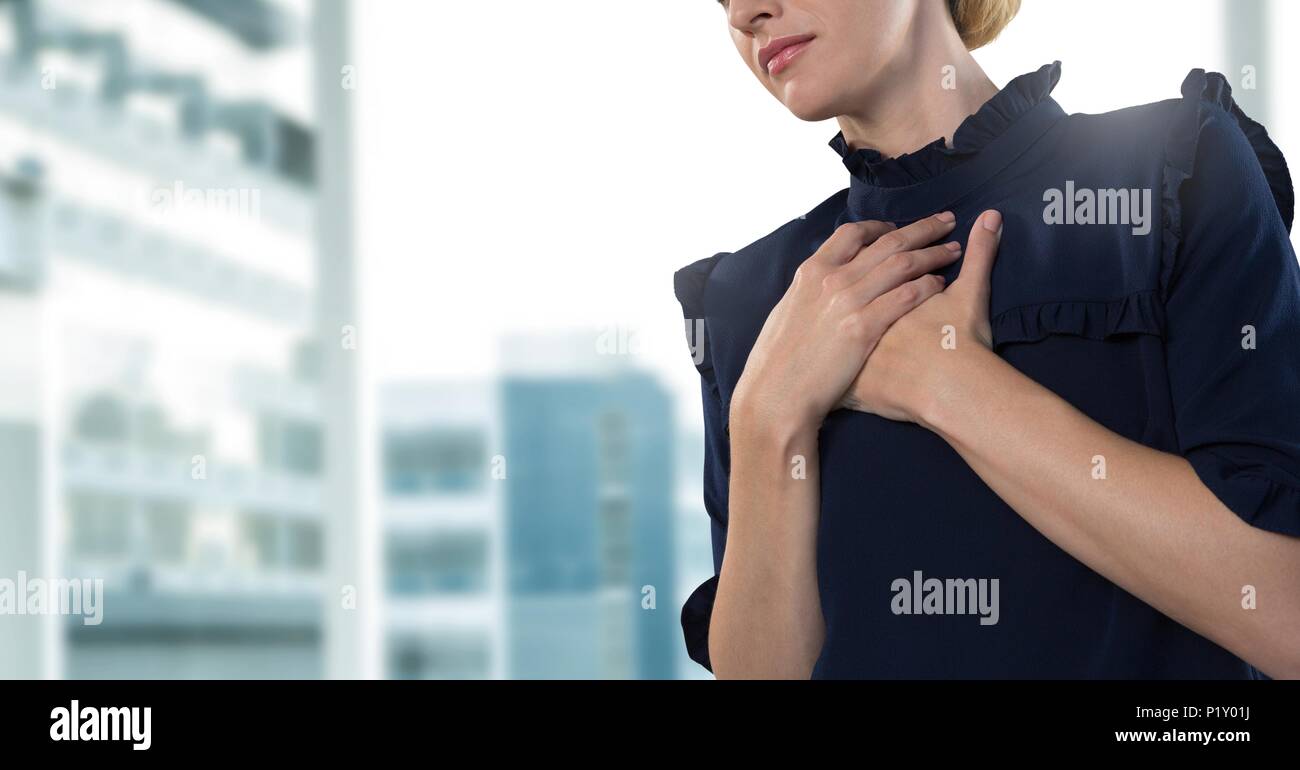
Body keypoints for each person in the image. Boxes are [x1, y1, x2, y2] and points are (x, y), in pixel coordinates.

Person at [676, 0, 1299, 678]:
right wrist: (768, 418)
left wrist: (948, 386)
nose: (745, 12)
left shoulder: (1170, 179)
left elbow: (1282, 614)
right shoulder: (752, 304)